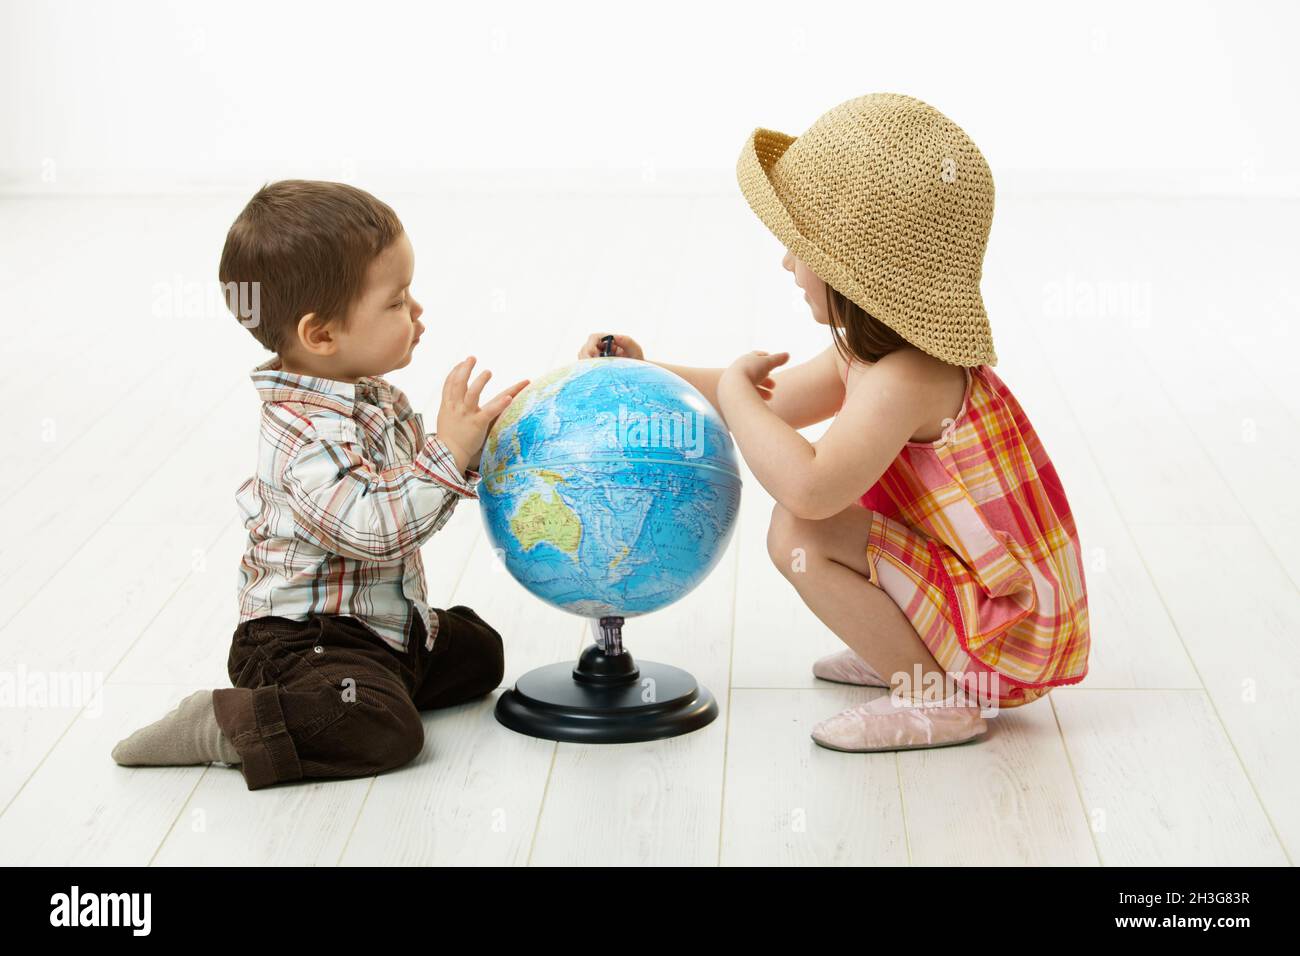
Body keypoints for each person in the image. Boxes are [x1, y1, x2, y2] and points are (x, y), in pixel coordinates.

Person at [578, 93, 1090, 752]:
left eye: (799, 248)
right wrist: (649, 374)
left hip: (1009, 630)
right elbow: (771, 401)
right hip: (974, 589)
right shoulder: (871, 355)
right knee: (814, 529)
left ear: (862, 270)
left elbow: (810, 488)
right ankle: (905, 654)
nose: (787, 264)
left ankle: (932, 694)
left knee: (801, 530)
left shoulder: (908, 378)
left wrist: (737, 394)